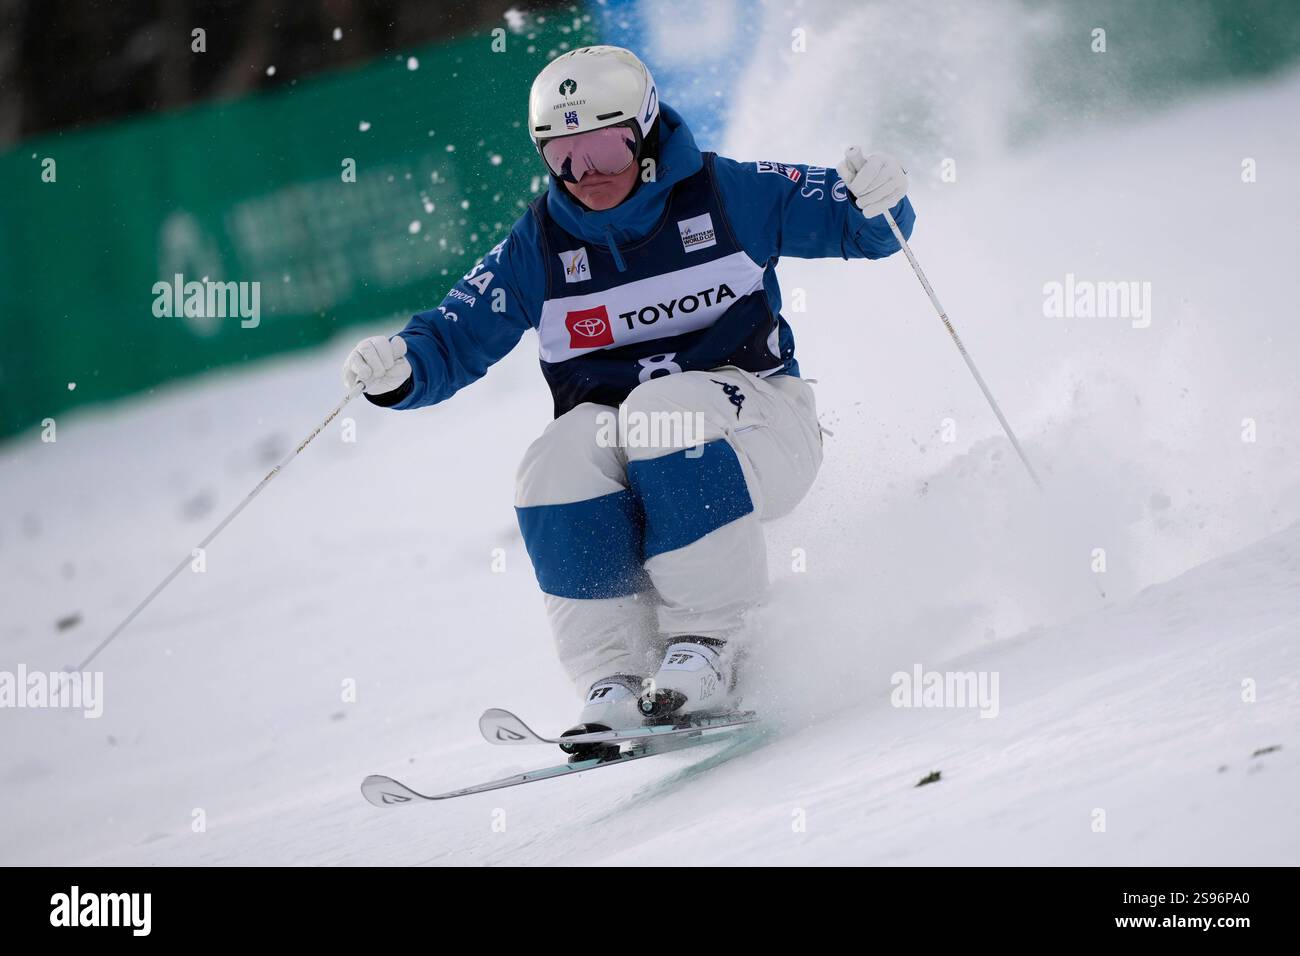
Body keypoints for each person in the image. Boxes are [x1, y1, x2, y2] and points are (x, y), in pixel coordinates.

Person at [342, 45, 914, 747]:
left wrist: (879, 198)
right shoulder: (539, 248)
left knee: (656, 410)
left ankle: (714, 641)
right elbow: (452, 339)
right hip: (642, 460)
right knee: (555, 456)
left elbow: (862, 227)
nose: (586, 174)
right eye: (563, 157)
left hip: (764, 428)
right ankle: (616, 672)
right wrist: (401, 366)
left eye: (605, 150)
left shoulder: (726, 194)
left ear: (643, 134)